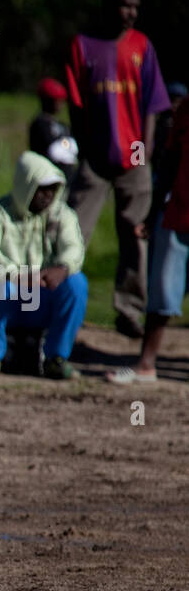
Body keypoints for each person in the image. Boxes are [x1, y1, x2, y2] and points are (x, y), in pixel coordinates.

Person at [65, 0, 171, 339]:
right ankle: (60, 304)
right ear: (111, 6)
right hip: (95, 157)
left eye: (135, 7)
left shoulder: (143, 47)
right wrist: (84, 149)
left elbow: (153, 105)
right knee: (72, 230)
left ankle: (129, 309)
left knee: (135, 233)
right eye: (125, 6)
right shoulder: (83, 45)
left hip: (134, 157)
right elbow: (76, 104)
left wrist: (143, 154)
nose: (131, 13)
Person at [0, 152, 88, 381]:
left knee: (76, 283)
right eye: (41, 188)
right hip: (8, 298)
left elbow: (74, 248)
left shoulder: (63, 215)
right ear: (26, 186)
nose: (47, 195)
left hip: (44, 297)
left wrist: (61, 269)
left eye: (53, 188)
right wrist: (17, 275)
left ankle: (56, 359)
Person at [108, 91, 189, 384]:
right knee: (163, 291)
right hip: (180, 213)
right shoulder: (185, 110)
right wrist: (152, 212)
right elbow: (170, 161)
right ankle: (146, 364)